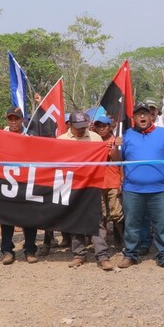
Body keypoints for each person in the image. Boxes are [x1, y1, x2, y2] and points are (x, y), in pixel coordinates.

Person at [112, 102, 164, 271]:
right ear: (134, 118)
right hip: (132, 190)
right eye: (139, 114)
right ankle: (130, 254)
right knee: (131, 224)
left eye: (146, 113)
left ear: (152, 116)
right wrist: (116, 145)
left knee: (162, 224)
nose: (143, 117)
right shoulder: (127, 135)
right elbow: (116, 159)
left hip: (159, 189)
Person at [59, 110, 112, 269]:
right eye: (78, 127)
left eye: (84, 126)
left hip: (92, 184)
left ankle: (102, 255)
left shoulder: (95, 137)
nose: (82, 130)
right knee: (76, 219)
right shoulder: (61, 140)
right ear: (70, 125)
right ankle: (79, 253)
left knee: (96, 219)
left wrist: (108, 148)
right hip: (72, 185)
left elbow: (104, 159)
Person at [0, 106, 40, 265]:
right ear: (7, 120)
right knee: (6, 217)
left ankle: (30, 249)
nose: (14, 122)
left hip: (27, 181)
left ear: (23, 119)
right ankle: (7, 250)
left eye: (17, 118)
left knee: (29, 216)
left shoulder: (31, 135)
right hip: (6, 181)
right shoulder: (0, 135)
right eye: (11, 118)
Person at [92, 115, 125, 254]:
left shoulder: (116, 141)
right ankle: (102, 243)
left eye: (104, 126)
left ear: (110, 127)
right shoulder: (93, 141)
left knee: (116, 212)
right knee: (102, 214)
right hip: (98, 182)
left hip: (113, 181)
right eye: (98, 126)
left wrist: (123, 179)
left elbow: (120, 161)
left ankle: (120, 241)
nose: (101, 129)